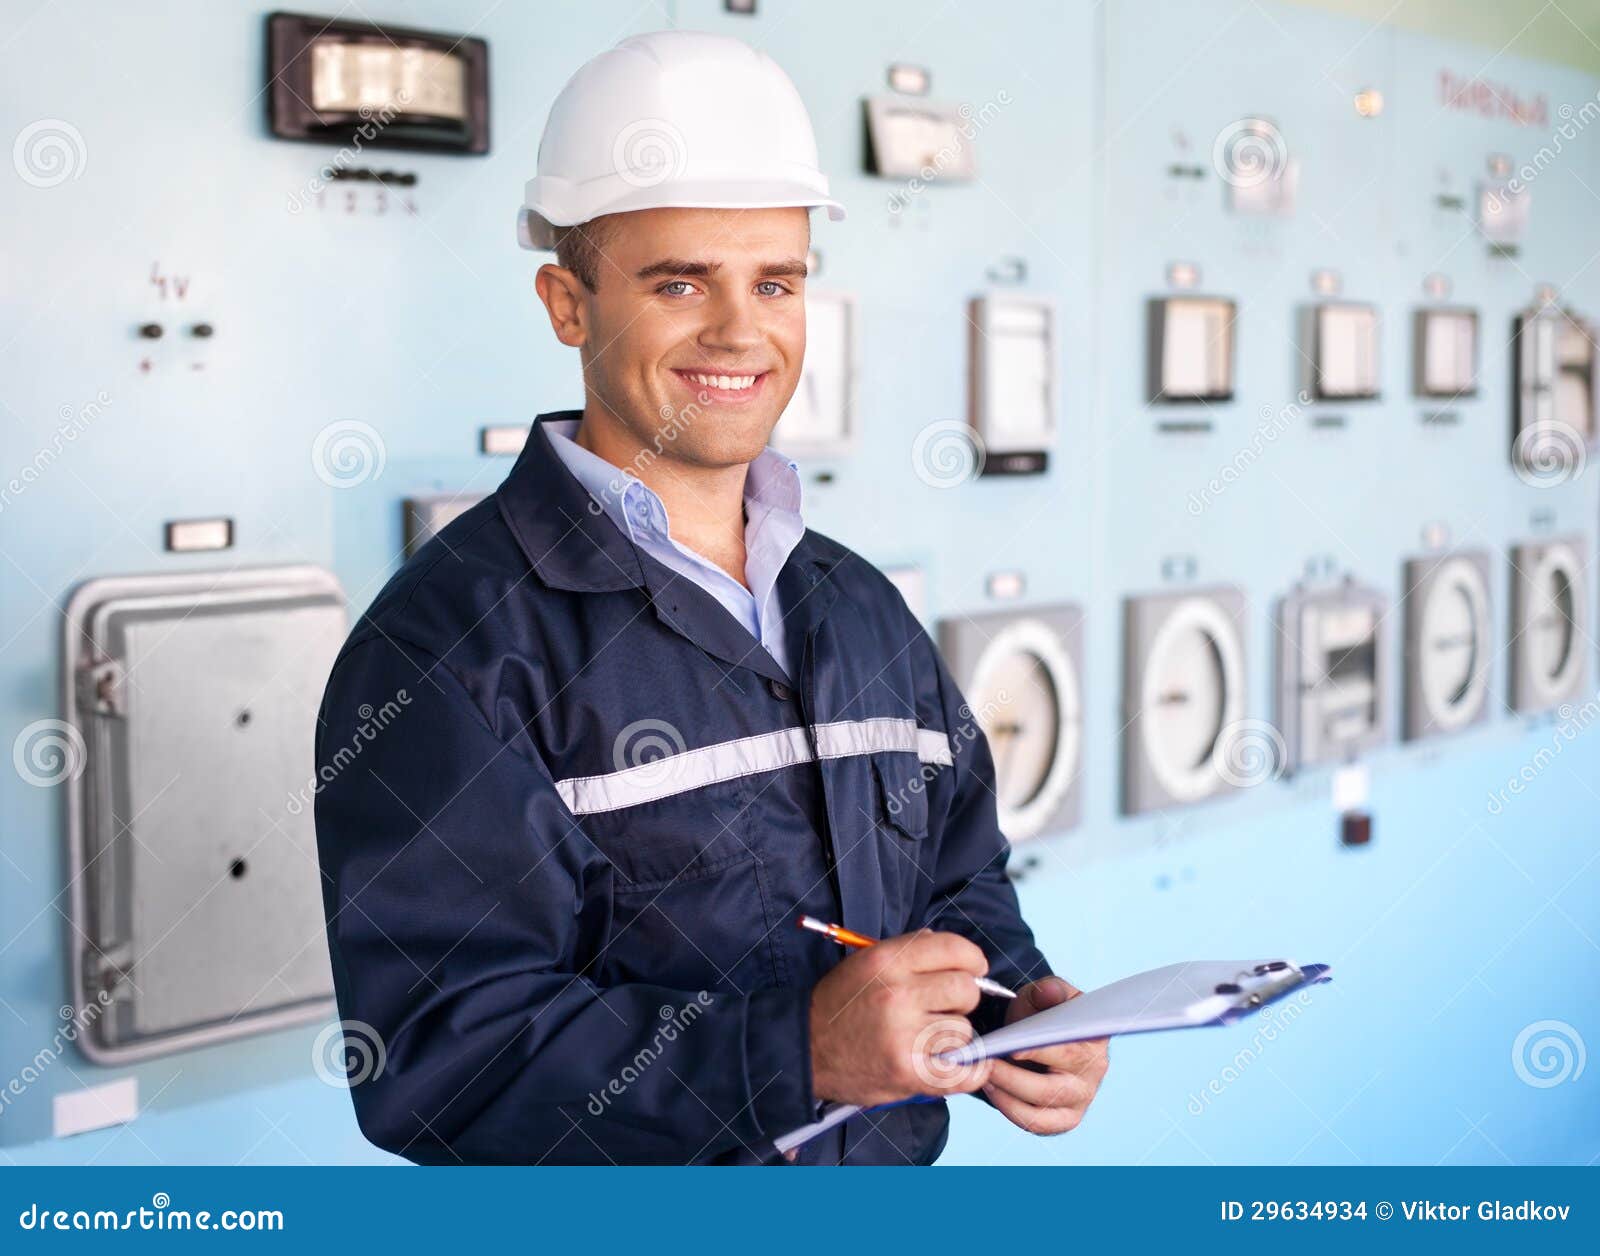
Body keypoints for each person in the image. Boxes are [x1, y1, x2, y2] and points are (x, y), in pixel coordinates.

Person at [312, 29, 1106, 1166]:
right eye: (679, 281)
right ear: (566, 302)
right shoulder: (449, 645)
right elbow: (442, 1062)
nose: (740, 330)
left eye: (774, 282)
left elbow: (957, 873)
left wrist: (1010, 1008)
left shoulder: (854, 602)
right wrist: (799, 1051)